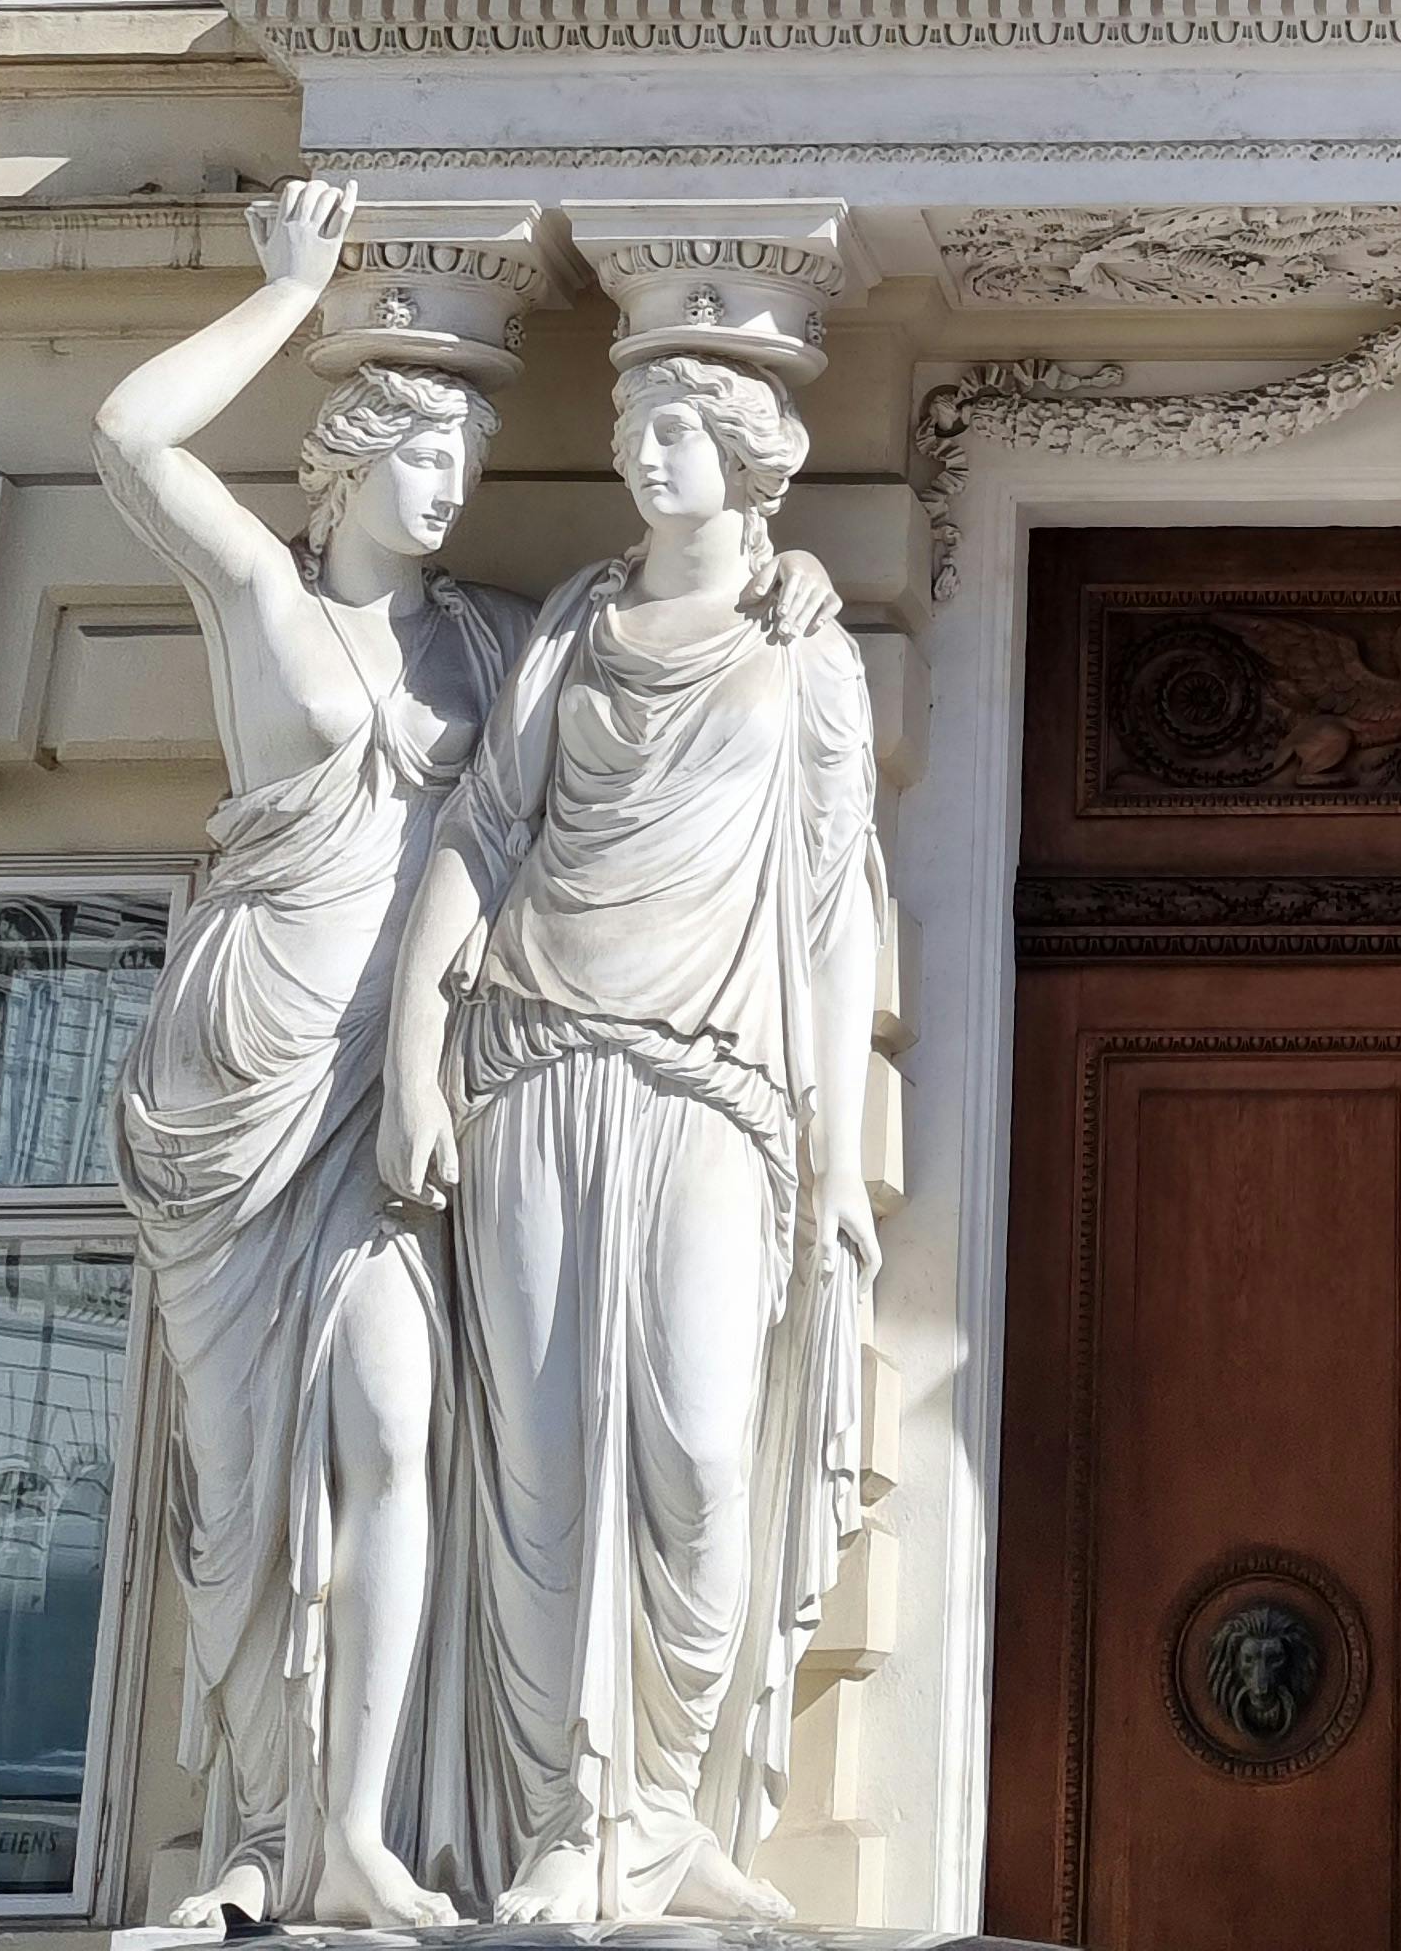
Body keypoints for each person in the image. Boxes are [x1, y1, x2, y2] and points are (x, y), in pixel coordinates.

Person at [381, 348, 881, 1925]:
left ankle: (665, 1815)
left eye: (676, 431)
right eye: (630, 431)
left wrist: (838, 1151)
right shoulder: (570, 630)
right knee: (539, 1457)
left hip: (717, 1081)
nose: (641, 455)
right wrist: (409, 1060)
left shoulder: (809, 648)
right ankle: (557, 1822)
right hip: (531, 1054)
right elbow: (482, 833)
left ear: (746, 463)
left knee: (696, 1451)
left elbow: (834, 910)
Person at [97, 178, 527, 1933]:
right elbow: (127, 433)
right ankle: (248, 1850)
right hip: (245, 1067)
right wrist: (284, 293)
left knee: (391, 1429)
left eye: (469, 465)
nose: (455, 489)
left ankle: (354, 1834)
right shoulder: (262, 601)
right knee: (239, 1482)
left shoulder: (485, 650)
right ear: (349, 464)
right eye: (426, 457)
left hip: (388, 1082)